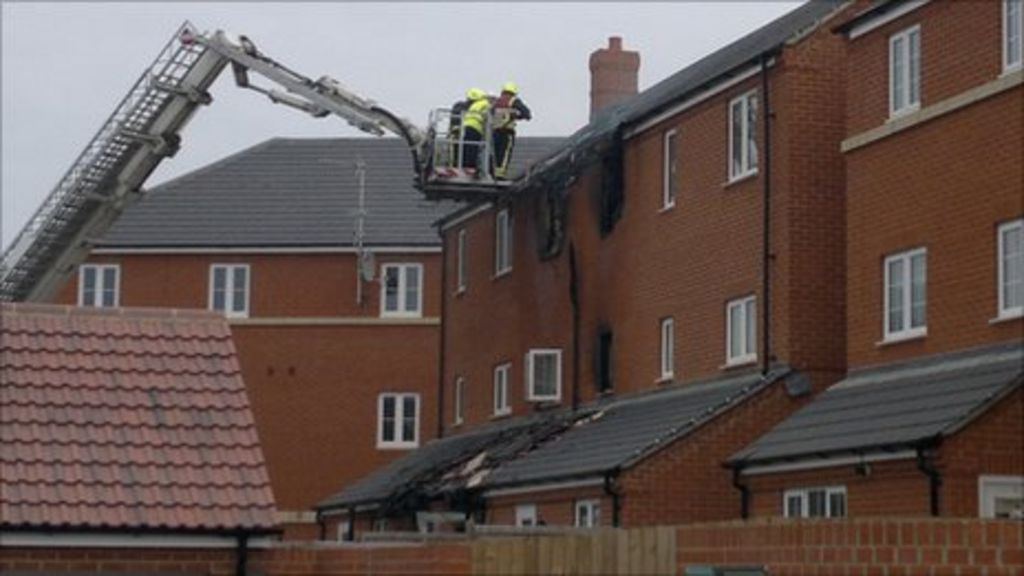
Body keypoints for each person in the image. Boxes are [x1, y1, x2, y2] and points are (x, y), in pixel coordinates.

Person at [491, 82, 532, 179]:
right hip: (507, 132)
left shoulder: (496, 102)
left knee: (495, 154)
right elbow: (527, 114)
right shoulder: (514, 101)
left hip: (495, 132)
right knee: (504, 154)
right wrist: (517, 116)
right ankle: (500, 175)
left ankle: (492, 173)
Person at [459, 87, 491, 171]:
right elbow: (488, 115)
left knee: (467, 146)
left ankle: (464, 164)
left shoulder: (475, 105)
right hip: (476, 127)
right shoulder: (485, 103)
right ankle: (471, 165)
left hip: (467, 126)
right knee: (473, 148)